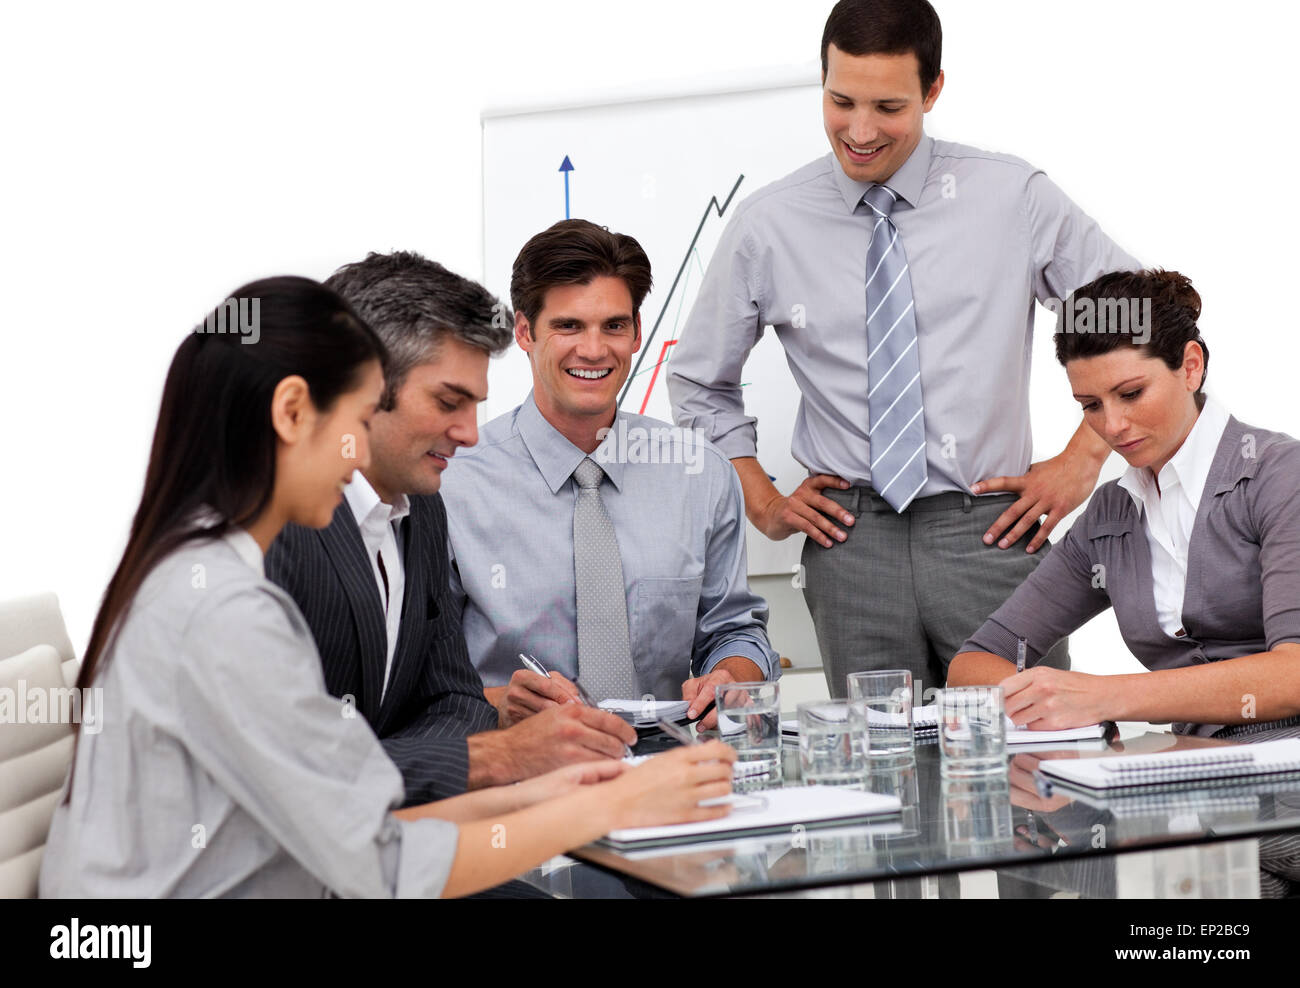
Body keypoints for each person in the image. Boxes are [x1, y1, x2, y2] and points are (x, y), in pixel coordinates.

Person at [39, 276, 735, 899]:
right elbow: (383, 868)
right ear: (291, 412)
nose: (361, 445)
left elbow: (369, 819)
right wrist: (604, 807)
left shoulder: (209, 570)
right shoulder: (223, 610)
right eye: (359, 411)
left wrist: (577, 788)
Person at [667, 0, 1139, 698]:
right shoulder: (770, 224)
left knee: (1026, 757)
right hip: (851, 542)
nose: (859, 131)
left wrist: (1082, 460)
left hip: (992, 530)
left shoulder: (1012, 197)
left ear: (933, 90)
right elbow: (700, 380)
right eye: (840, 101)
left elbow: (1131, 318)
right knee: (879, 774)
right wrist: (760, 499)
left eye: (888, 106)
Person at [947, 268, 1300, 898]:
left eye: (1131, 392)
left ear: (1190, 366)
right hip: (1202, 785)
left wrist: (1103, 697)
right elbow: (975, 662)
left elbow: (1290, 677)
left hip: (1279, 772)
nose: (1110, 425)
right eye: (1090, 405)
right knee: (1161, 869)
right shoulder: (1111, 515)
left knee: (1129, 856)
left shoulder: (1278, 477)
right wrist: (1049, 706)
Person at [266, 252, 636, 807]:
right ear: (359, 385)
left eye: (475, 406)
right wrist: (496, 757)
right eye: (447, 402)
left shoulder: (421, 507)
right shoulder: (271, 529)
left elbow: (454, 701)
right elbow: (288, 766)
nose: (469, 435)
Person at [440, 219, 779, 731]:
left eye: (614, 326)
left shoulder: (699, 472)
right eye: (569, 326)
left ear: (637, 333)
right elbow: (420, 680)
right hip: (518, 770)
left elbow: (733, 630)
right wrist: (495, 703)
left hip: (666, 766)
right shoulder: (452, 483)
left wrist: (731, 674)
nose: (595, 350)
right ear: (526, 332)